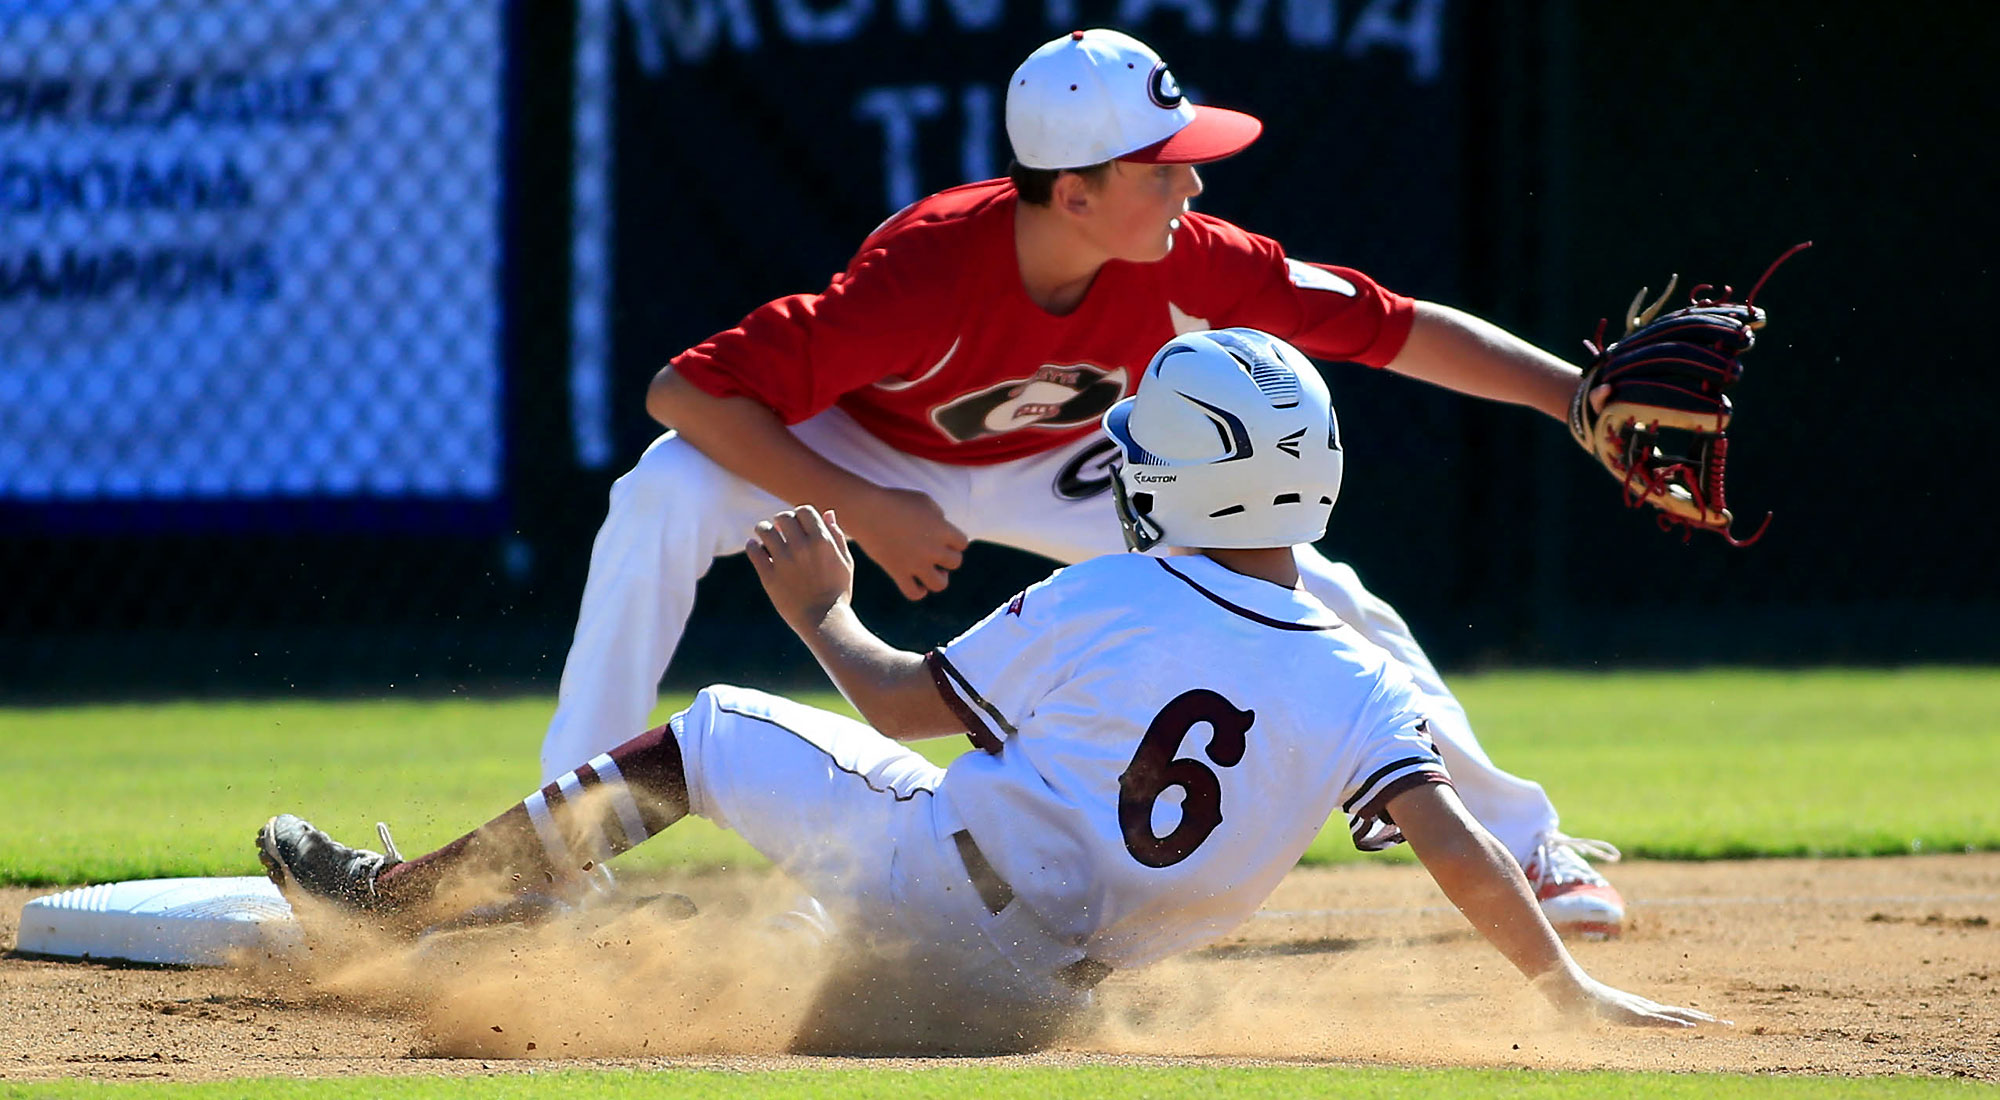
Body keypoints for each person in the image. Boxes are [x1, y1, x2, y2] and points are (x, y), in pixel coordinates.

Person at [257, 330, 1718, 1051]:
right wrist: (1565, 985)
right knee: (889, 855)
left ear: (1186, 477)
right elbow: (1451, 840)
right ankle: (763, 956)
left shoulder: (1112, 592)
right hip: (1046, 1003)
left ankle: (399, 902)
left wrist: (820, 609)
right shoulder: (1360, 674)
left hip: (929, 887)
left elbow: (895, 704)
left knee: (708, 733)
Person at [542, 28, 1624, 934]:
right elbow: (685, 390)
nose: (1192, 182)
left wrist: (1575, 397)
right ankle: (562, 859)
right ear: (1073, 192)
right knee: (664, 491)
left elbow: (1390, 325)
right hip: (873, 455)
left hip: (1064, 467)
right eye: (1162, 167)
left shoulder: (1191, 254)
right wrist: (864, 503)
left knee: (1326, 591)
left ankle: (1528, 842)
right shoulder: (922, 274)